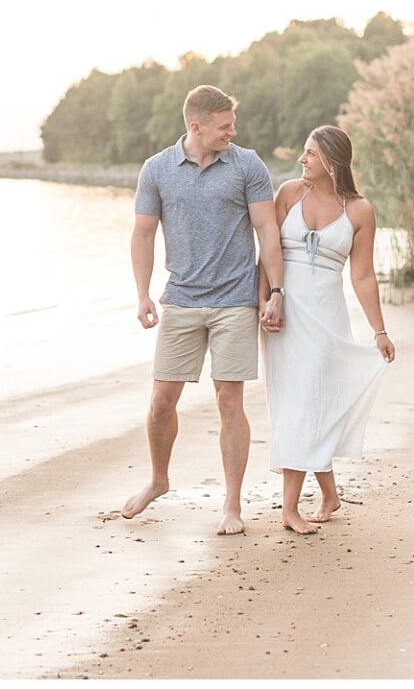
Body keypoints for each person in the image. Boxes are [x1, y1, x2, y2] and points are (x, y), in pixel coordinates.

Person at [122, 85, 286, 535]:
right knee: (161, 402)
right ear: (196, 127)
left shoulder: (247, 164)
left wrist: (276, 292)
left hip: (235, 302)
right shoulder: (157, 170)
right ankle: (158, 480)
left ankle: (232, 506)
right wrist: (143, 294)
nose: (233, 132)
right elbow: (142, 234)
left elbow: (268, 229)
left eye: (232, 125)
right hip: (181, 301)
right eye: (224, 126)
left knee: (229, 401)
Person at [259, 125, 396, 534]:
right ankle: (329, 494)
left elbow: (364, 276)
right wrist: (264, 301)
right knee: (294, 403)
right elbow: (266, 252)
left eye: (311, 154)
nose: (303, 160)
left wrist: (379, 331)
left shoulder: (360, 211)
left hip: (326, 318)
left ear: (333, 161)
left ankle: (288, 509)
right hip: (284, 317)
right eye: (303, 152)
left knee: (309, 402)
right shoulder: (287, 194)